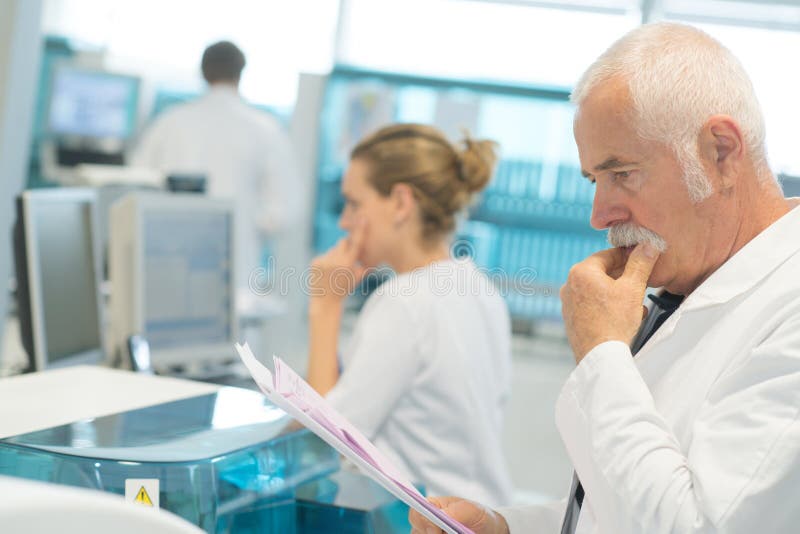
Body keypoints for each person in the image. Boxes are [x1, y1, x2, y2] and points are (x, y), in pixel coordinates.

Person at [410, 22, 800, 534]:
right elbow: (627, 503)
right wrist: (509, 528)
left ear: (721, 152)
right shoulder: (689, 289)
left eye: (622, 173)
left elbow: (699, 526)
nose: (599, 214)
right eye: (595, 179)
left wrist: (601, 355)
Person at [306, 123, 514, 506]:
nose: (344, 222)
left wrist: (325, 307)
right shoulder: (478, 288)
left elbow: (325, 444)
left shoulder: (404, 301)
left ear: (401, 202)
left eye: (354, 204)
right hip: (482, 517)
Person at [132, 41, 300, 292]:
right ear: (241, 73)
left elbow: (135, 186)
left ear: (202, 72)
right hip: (236, 270)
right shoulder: (265, 129)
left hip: (168, 265)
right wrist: (245, 221)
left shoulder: (168, 123)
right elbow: (284, 211)